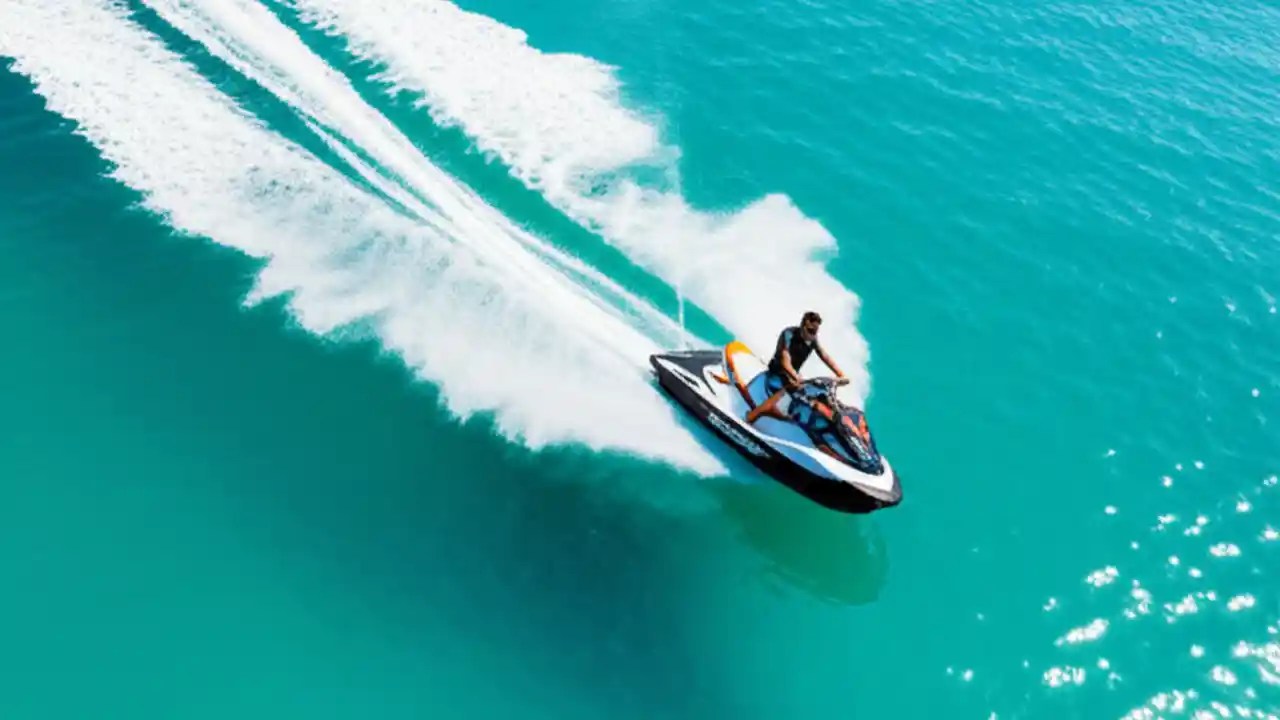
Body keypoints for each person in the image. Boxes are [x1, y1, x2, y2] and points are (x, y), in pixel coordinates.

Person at [746, 311, 847, 423]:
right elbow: (785, 361)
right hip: (778, 373)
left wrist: (840, 374)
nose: (813, 335)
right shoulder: (788, 334)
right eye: (810, 331)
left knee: (819, 395)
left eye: (815, 332)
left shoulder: (812, 340)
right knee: (791, 388)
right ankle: (753, 415)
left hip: (794, 376)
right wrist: (796, 376)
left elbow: (825, 356)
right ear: (803, 326)